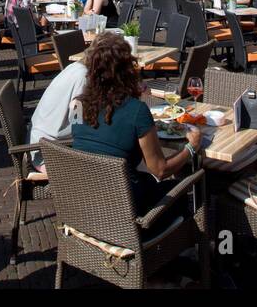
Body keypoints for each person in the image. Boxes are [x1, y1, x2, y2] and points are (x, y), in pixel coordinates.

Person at [71, 34, 202, 216]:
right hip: (126, 210)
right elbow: (160, 170)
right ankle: (194, 241)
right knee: (196, 187)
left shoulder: (77, 104)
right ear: (127, 71)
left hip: (84, 202)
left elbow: (83, 140)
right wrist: (191, 147)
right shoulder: (136, 110)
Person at [28, 49, 88, 170]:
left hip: (39, 139)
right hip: (50, 153)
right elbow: (77, 123)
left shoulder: (74, 67)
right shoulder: (83, 78)